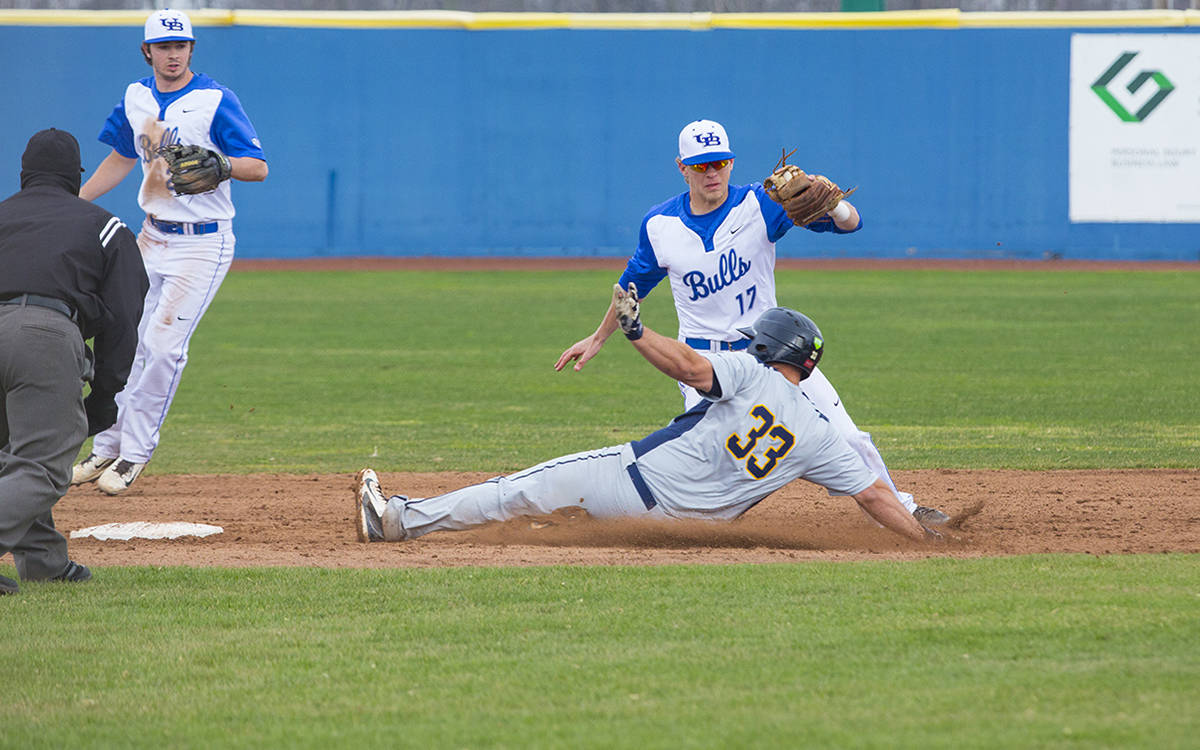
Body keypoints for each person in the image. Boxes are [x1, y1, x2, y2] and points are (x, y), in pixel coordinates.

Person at [555, 119, 948, 526]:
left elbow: (851, 224)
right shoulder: (660, 226)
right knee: (710, 458)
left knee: (848, 438)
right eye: (702, 165)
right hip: (703, 362)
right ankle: (646, 517)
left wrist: (833, 204)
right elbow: (630, 287)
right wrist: (599, 337)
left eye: (720, 163)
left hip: (775, 354)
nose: (713, 173)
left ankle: (902, 510)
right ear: (682, 167)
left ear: (731, 162)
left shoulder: (761, 204)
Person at [355, 290, 940, 545]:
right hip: (689, 533)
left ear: (770, 349)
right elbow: (876, 497)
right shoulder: (819, 436)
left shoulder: (749, 374)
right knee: (554, 515)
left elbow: (687, 366)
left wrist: (635, 331)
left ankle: (397, 522)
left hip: (635, 487)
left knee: (517, 490)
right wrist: (924, 543)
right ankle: (555, 526)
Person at [70, 8, 268, 495]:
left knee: (161, 349)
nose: (173, 54)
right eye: (164, 46)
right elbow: (120, 157)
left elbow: (258, 167)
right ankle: (106, 447)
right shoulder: (136, 97)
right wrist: (68, 205)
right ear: (148, 51)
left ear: (191, 50)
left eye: (181, 46)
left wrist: (223, 165)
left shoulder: (213, 99)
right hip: (150, 236)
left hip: (203, 242)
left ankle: (134, 454)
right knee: (122, 342)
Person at [0, 128, 148, 594]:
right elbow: (123, 318)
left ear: (25, 174)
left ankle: (44, 562)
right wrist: (105, 393)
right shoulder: (104, 226)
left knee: (16, 454)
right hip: (44, 333)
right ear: (74, 176)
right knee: (42, 466)